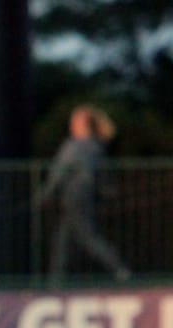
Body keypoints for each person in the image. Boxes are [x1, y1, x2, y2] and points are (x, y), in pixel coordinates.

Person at [38, 104, 129, 282]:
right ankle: (56, 280)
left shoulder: (74, 146)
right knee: (63, 240)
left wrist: (45, 194)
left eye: (74, 121)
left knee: (87, 237)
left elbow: (59, 173)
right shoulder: (96, 147)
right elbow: (102, 176)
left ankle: (120, 269)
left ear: (82, 125)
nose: (71, 125)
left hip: (74, 198)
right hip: (86, 198)